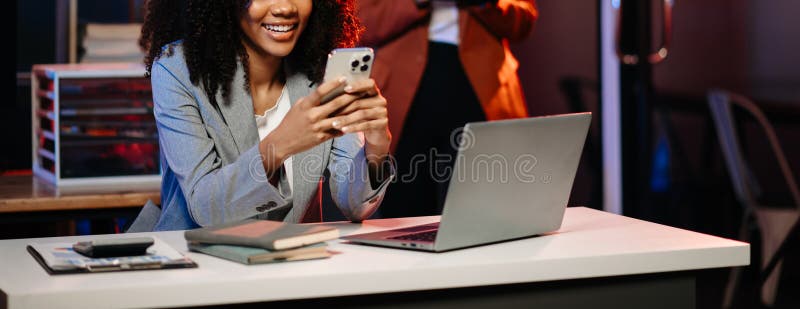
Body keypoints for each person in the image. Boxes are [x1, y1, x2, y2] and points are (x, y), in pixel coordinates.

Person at [137, 0, 393, 231]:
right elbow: (204, 207)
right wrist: (280, 144)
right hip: (198, 264)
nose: (285, 8)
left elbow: (354, 206)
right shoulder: (177, 70)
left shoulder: (322, 71)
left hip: (292, 267)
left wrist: (376, 149)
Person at [356, 0, 538, 217]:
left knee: (484, 206)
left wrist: (487, 3)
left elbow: (523, 22)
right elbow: (362, 21)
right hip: (403, 89)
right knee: (405, 206)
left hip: (482, 88)